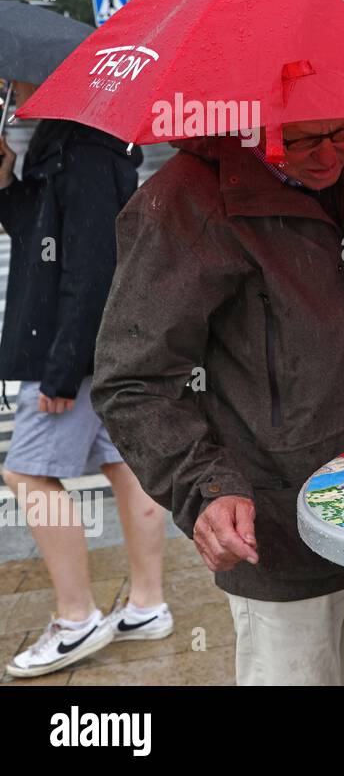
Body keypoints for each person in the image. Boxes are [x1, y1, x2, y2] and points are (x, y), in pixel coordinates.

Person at [90, 116, 344, 685]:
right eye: (299, 142)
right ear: (251, 119)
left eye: (341, 134)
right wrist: (205, 489)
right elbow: (133, 379)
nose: (329, 156)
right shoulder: (186, 197)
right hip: (275, 524)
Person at [0, 82, 170, 678]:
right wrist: (7, 181)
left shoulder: (84, 149)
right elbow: (37, 238)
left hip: (64, 345)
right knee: (124, 466)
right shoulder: (67, 138)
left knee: (25, 472)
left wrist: (62, 367)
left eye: (13, 80)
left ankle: (74, 619)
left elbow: (93, 266)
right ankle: (148, 606)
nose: (8, 88)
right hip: (85, 346)